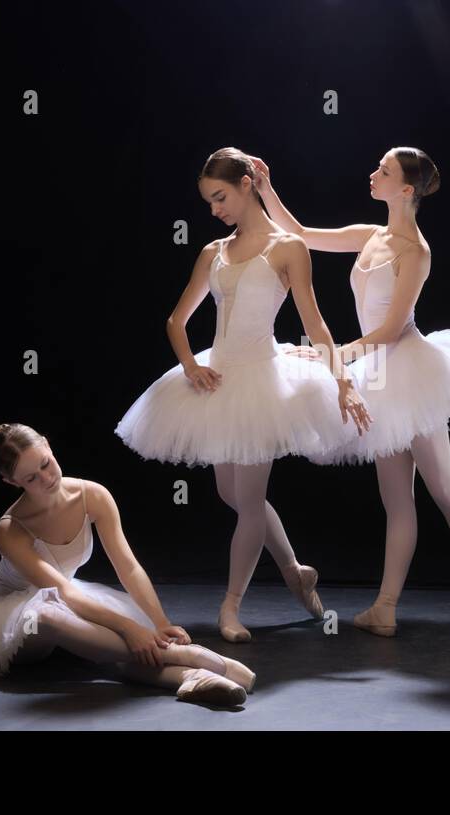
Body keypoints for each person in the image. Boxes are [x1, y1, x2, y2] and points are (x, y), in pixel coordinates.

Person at [249, 148, 450, 637]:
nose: (372, 174)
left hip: (407, 368)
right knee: (397, 499)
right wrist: (265, 188)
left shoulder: (416, 252)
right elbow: (300, 235)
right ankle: (385, 607)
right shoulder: (370, 235)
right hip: (378, 377)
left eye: (383, 171)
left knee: (444, 487)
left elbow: (388, 330)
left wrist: (333, 354)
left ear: (406, 189)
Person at [116, 148, 373, 642]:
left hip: (262, 379)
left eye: (220, 197)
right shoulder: (213, 251)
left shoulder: (287, 248)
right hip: (219, 377)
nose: (215, 209)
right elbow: (176, 320)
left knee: (249, 500)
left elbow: (314, 323)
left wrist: (344, 380)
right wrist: (191, 365)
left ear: (248, 185)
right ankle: (296, 572)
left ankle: (231, 607)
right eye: (209, 201)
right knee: (230, 493)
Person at [0, 423, 255, 706]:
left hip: (72, 604)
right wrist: (131, 628)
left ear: (49, 445)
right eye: (31, 478)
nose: (47, 478)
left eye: (47, 464)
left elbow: (128, 566)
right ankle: (190, 658)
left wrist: (159, 623)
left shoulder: (92, 495)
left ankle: (190, 678)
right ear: (13, 483)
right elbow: (60, 591)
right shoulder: (10, 529)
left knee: (111, 654)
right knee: (50, 615)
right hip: (15, 617)